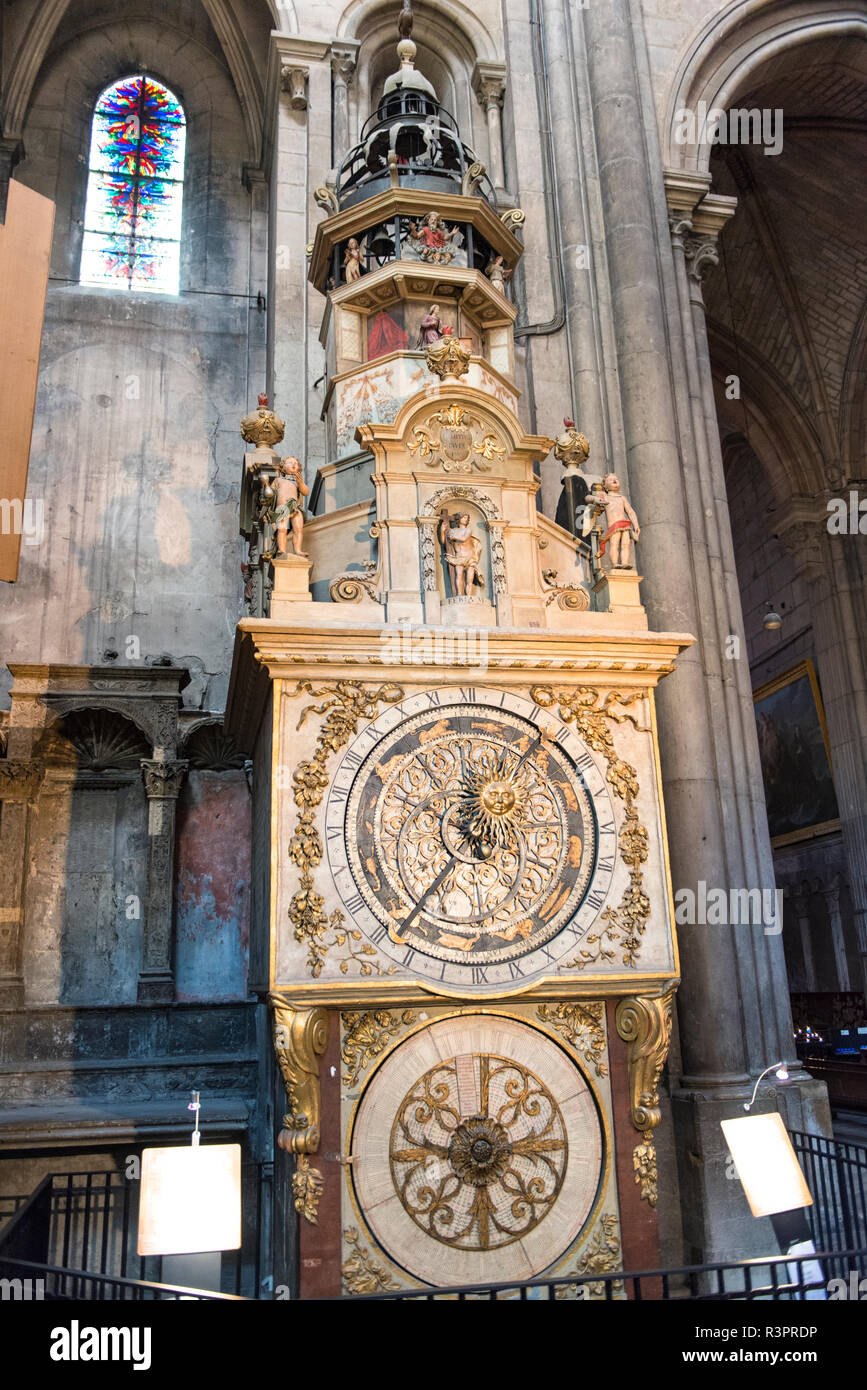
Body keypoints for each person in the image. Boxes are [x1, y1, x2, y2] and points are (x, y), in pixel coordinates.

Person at [272, 456, 309, 557]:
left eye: (295, 463)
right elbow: (271, 493)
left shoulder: (298, 481)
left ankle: (297, 550)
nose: (293, 464)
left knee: (298, 529)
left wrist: (300, 482)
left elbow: (306, 492)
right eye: (290, 462)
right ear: (283, 467)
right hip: (282, 507)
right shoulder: (278, 480)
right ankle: (282, 550)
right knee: (282, 529)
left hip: (295, 507)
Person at [439, 511, 482, 596]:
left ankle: (469, 596)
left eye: (467, 518)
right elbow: (444, 542)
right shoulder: (453, 531)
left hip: (470, 557)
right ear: (459, 519)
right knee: (458, 575)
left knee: (469, 578)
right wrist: (442, 531)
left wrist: (454, 537)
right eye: (464, 517)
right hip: (459, 556)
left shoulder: (468, 530)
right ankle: (459, 594)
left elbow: (464, 538)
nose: (466, 520)